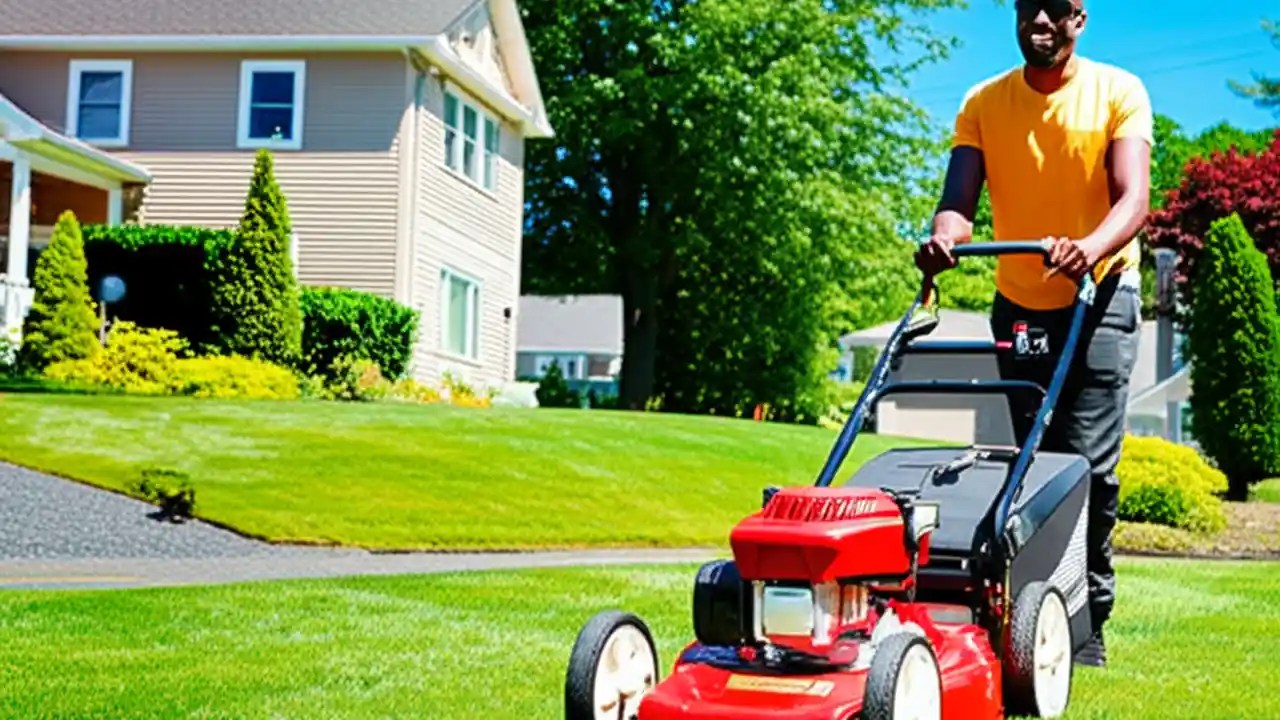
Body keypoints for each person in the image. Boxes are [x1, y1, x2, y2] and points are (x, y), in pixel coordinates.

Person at [915, 0, 1151, 668]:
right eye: (1026, 6)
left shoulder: (1119, 92)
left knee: (1088, 469)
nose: (1038, 19)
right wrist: (943, 238)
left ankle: (1087, 622)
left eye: (1053, 7)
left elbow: (1133, 199)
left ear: (1079, 18)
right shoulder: (983, 102)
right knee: (1029, 466)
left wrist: (1089, 248)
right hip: (1019, 299)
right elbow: (958, 205)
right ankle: (1028, 613)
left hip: (1101, 293)